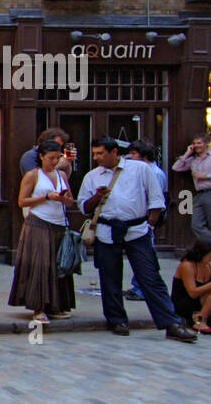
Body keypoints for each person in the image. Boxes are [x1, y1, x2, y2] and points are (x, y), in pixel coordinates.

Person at [78, 137, 197, 343]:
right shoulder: (92, 176)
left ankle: (170, 322)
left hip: (137, 230)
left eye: (100, 153)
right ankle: (117, 320)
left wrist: (150, 224)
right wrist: (97, 197)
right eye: (95, 153)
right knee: (110, 277)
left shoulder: (140, 169)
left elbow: (156, 199)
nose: (96, 157)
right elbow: (83, 207)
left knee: (150, 277)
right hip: (107, 230)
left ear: (114, 152)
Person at [8, 140, 75, 322]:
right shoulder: (33, 175)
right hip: (38, 222)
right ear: (41, 156)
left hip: (59, 223)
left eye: (57, 157)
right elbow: (22, 201)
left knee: (58, 265)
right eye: (50, 158)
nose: (54, 161)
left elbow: (70, 198)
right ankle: (38, 308)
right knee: (40, 265)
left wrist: (65, 199)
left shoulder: (61, 174)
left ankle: (56, 305)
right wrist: (46, 197)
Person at [125, 139, 170, 302]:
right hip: (140, 219)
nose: (130, 157)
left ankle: (142, 288)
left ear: (143, 155)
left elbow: (154, 199)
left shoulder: (153, 173)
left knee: (145, 254)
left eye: (134, 153)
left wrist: (150, 223)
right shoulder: (140, 170)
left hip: (145, 220)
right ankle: (138, 285)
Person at [172, 133, 211, 245]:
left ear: (206, 144)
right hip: (200, 194)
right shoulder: (193, 160)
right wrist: (187, 153)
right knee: (196, 225)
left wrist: (207, 176)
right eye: (194, 143)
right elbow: (176, 167)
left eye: (199, 143)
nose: (196, 145)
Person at [171, 238, 211, 333]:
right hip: (186, 303)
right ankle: (200, 322)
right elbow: (193, 293)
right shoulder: (187, 265)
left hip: (202, 301)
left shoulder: (210, 265)